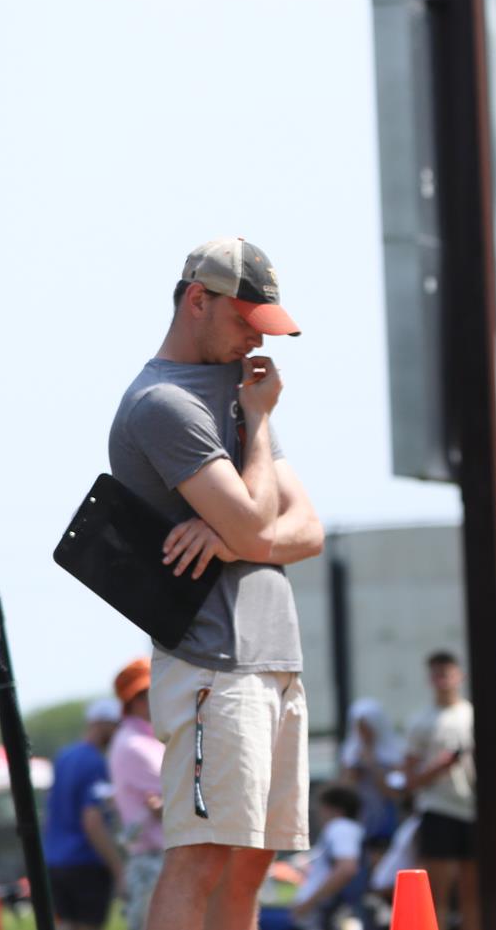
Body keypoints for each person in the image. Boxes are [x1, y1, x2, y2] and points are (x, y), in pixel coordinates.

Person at [115, 238, 323, 930]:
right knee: (203, 856)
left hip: (273, 661)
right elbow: (264, 529)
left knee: (249, 866)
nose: (255, 339)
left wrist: (234, 527)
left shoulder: (238, 382)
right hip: (214, 663)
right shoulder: (164, 403)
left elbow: (307, 528)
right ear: (197, 299)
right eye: (245, 320)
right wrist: (258, 424)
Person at [403, 651, 477, 930]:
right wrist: (439, 767)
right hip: (438, 809)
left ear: (460, 676)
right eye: (436, 674)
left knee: (473, 892)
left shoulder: (471, 715)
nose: (442, 680)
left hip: (472, 807)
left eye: (446, 673)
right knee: (437, 894)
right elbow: (409, 779)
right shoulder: (421, 721)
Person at [43, 698, 125, 930]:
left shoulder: (64, 757)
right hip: (85, 863)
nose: (118, 732)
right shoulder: (95, 762)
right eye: (114, 725)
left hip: (56, 860)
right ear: (100, 724)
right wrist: (118, 868)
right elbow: (93, 821)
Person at [107, 657, 165, 930]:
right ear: (134, 700)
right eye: (147, 693)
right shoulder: (134, 746)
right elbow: (173, 804)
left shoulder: (147, 739)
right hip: (153, 862)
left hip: (160, 860)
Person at [338, 699, 403, 866]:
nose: (364, 732)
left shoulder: (393, 753)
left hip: (386, 820)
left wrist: (372, 764)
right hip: (360, 819)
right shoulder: (351, 754)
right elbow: (345, 791)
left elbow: (394, 792)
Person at [289, 786, 364, 930]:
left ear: (336, 810)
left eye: (322, 808)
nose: (318, 813)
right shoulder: (345, 829)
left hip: (322, 918)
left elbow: (347, 868)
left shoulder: (341, 827)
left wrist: (308, 904)